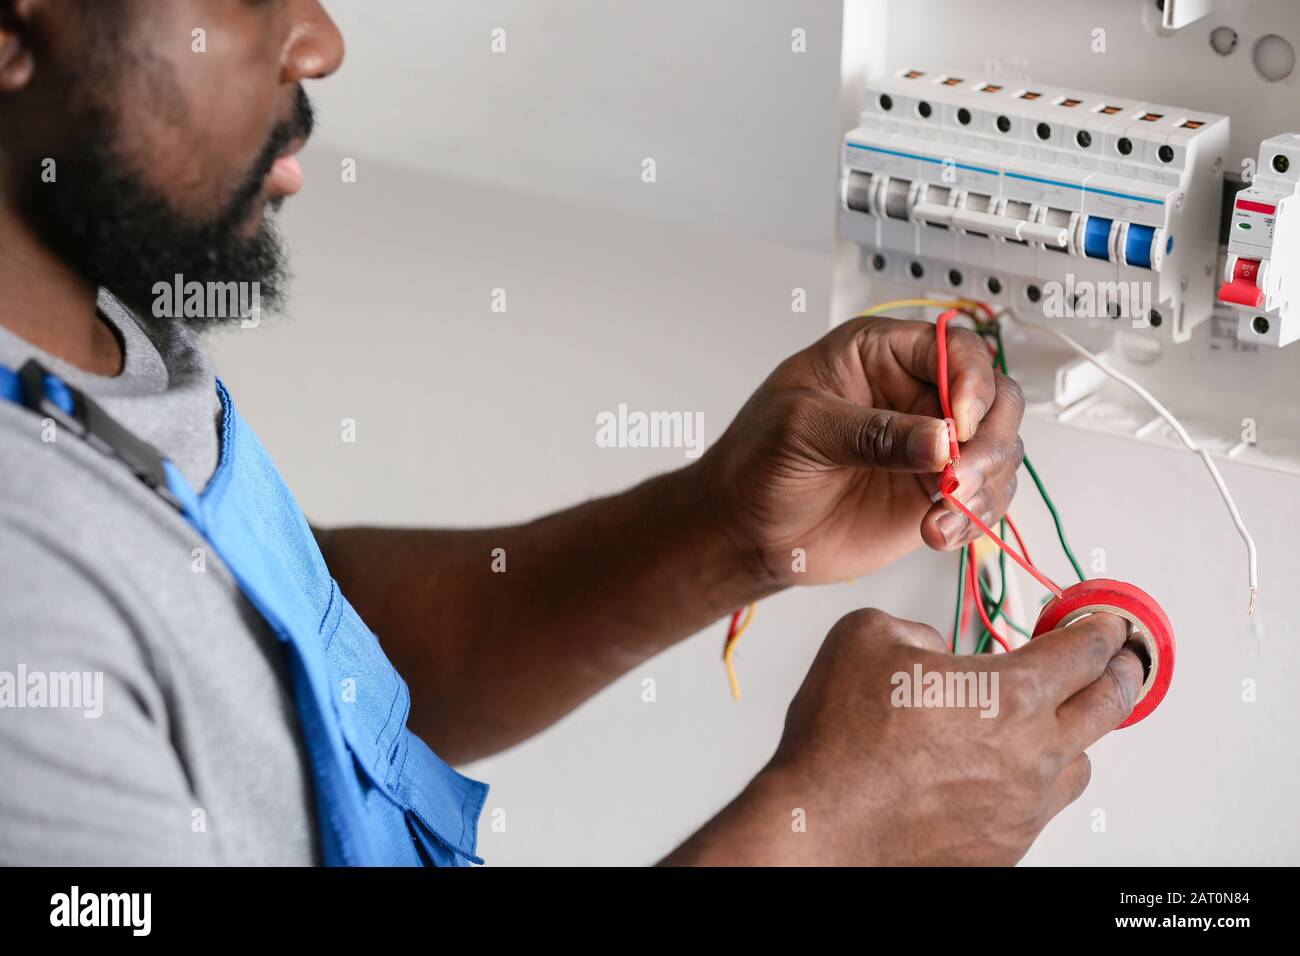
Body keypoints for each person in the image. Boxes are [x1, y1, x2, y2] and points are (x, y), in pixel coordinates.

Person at [0, 0, 1143, 866]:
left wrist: (725, 530)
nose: (318, 42)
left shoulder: (90, 333)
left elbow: (268, 662)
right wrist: (831, 831)